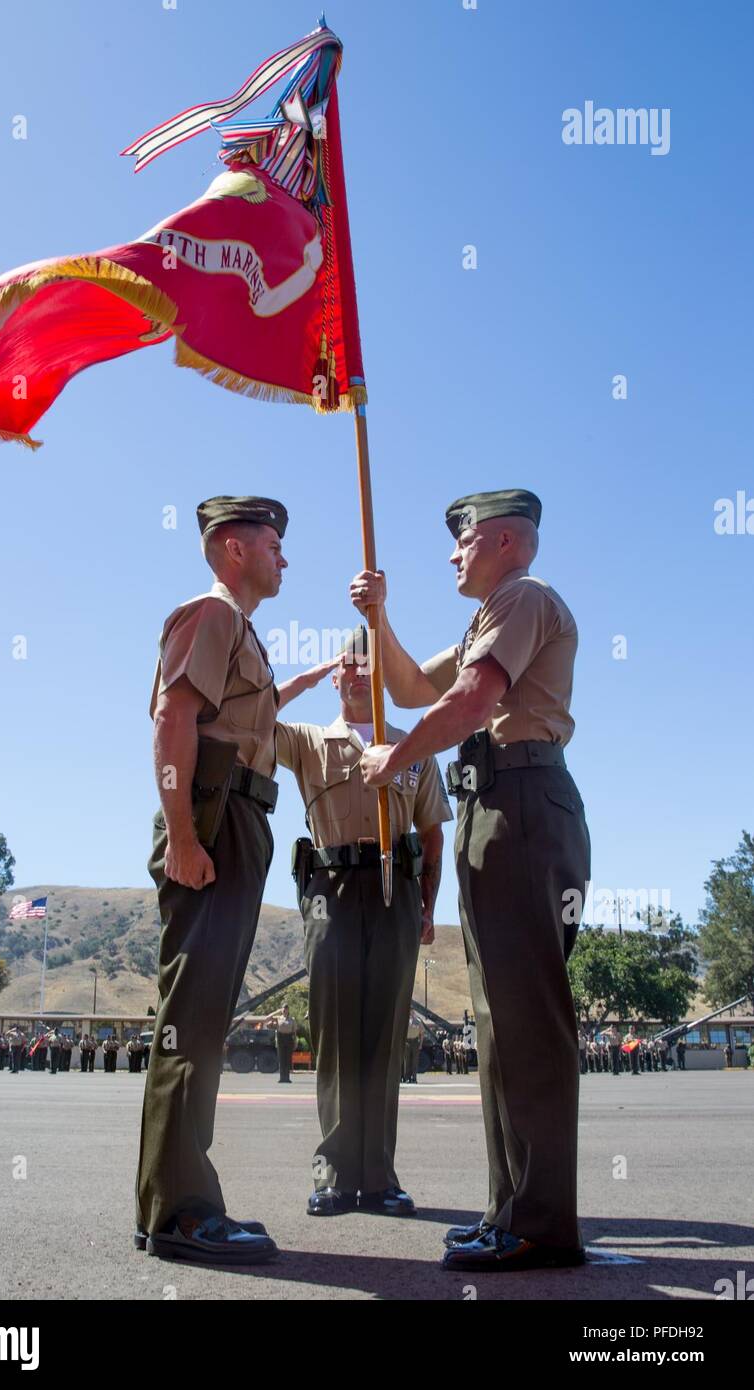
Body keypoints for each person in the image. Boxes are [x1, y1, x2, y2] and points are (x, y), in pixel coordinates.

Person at [352, 487, 590, 1272]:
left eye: (462, 542)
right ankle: (512, 1212)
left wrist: (399, 756)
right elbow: (410, 690)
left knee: (524, 1017)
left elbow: (471, 699)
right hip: (498, 801)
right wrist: (378, 619)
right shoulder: (494, 613)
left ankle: (540, 1222)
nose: (452, 556)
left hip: (520, 800)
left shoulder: (523, 597)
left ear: (503, 541)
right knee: (500, 1019)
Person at [134, 496, 288, 1267]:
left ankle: (178, 1206)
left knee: (202, 1018)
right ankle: (181, 1213)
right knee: (190, 1020)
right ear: (233, 547)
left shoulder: (238, 627)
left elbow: (241, 719)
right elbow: (172, 722)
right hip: (215, 819)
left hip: (240, 816)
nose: (283, 558)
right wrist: (186, 836)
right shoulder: (212, 613)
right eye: (273, 544)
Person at [275, 633, 450, 1217]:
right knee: (333, 1035)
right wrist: (300, 679)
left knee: (383, 1036)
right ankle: (333, 1172)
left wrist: (427, 906)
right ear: (333, 676)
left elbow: (431, 835)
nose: (355, 674)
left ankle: (378, 1176)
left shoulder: (415, 747)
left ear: (381, 677)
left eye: (366, 665)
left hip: (394, 890)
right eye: (346, 665)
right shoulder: (305, 740)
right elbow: (251, 718)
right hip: (330, 891)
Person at [262, 1005, 297, 1084]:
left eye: (286, 1009)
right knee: (281, 1058)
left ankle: (287, 1078)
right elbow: (267, 1018)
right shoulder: (278, 1018)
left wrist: (295, 1042)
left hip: (289, 1038)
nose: (285, 1010)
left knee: (287, 1059)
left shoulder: (292, 1019)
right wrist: (277, 1011)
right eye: (284, 1009)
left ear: (288, 1010)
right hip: (281, 1038)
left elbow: (294, 1032)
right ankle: (282, 1078)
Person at [404, 1012, 424, 1085]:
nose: (411, 1013)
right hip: (407, 1042)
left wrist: (421, 1044)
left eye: (412, 1012)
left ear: (414, 1013)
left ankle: (414, 1078)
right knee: (407, 1061)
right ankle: (407, 1078)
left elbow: (422, 1034)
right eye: (409, 1012)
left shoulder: (418, 1022)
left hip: (415, 1041)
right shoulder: (405, 1021)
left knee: (415, 1061)